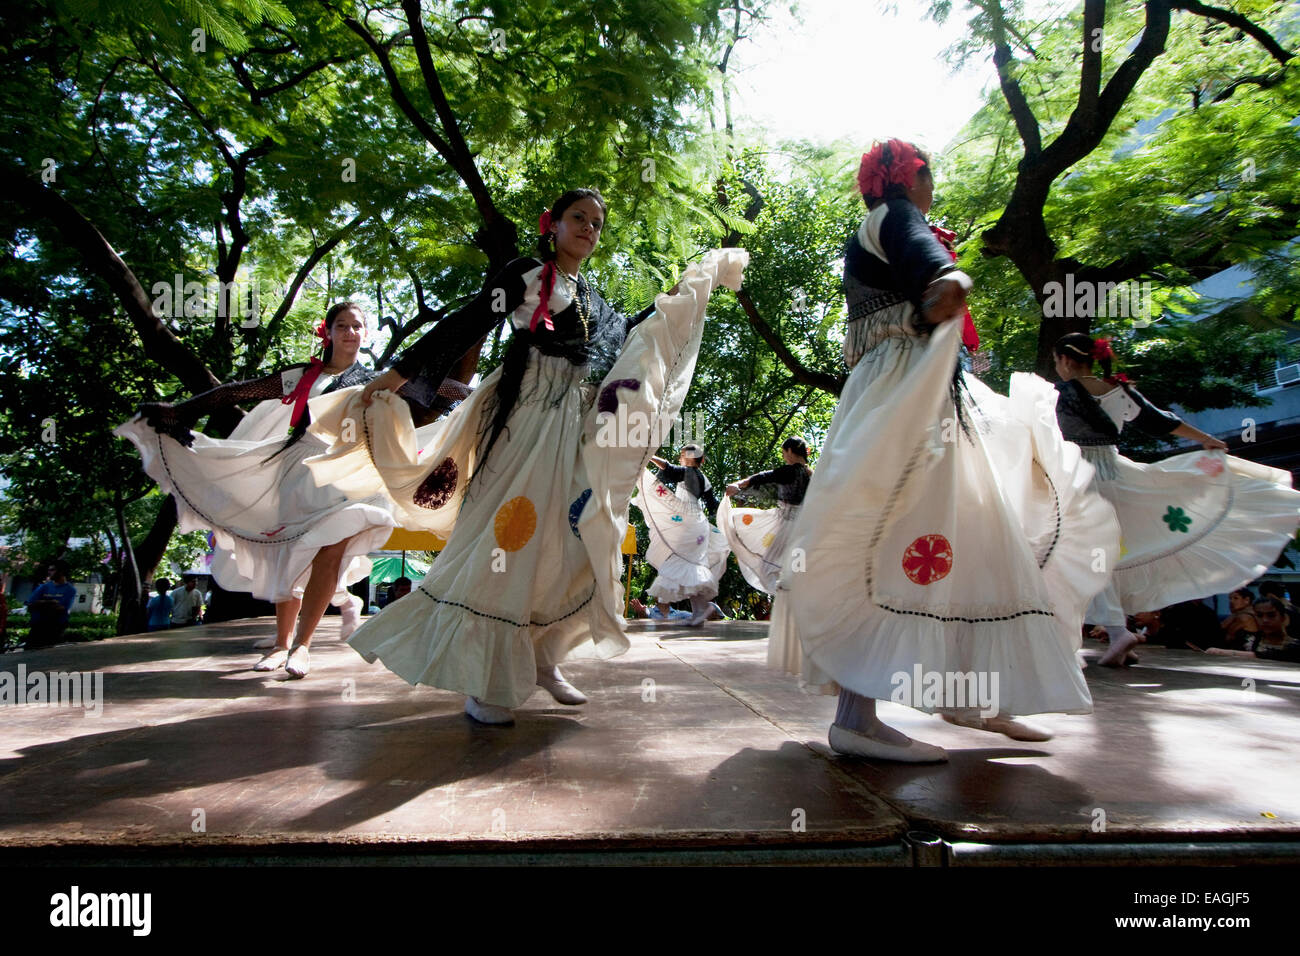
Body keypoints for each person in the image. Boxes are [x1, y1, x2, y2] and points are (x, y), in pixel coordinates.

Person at [305, 188, 748, 724]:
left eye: (596, 223)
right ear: (553, 225)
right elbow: (467, 321)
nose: (589, 228)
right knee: (509, 538)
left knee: (574, 537)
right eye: (578, 218)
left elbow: (625, 339)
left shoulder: (592, 299)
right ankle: (484, 679)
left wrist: (679, 296)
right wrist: (394, 376)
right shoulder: (526, 275)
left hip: (574, 428)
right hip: (526, 420)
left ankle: (542, 655)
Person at [776, 139, 1119, 761]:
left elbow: (931, 292)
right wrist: (949, 282)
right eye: (926, 174)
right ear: (909, 176)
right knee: (897, 535)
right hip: (910, 394)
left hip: (917, 391)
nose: (932, 185)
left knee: (973, 533)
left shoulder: (881, 226)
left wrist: (945, 294)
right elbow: (933, 280)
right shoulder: (895, 216)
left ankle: (975, 697)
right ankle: (856, 718)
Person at [115, 303, 439, 678]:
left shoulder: (379, 379)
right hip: (299, 474)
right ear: (328, 332)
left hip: (348, 477)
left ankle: (302, 645)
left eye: (357, 326)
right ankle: (282, 642)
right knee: (290, 558)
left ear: (366, 334)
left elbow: (434, 385)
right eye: (342, 325)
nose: (350, 332)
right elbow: (239, 391)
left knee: (331, 552)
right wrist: (179, 410)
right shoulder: (302, 376)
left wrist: (481, 392)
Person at [1053, 333, 1300, 667]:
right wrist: (1207, 439)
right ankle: (1113, 633)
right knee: (1096, 558)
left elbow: (1046, 436)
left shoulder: (1063, 393)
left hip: (1083, 477)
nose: (1058, 368)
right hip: (1117, 473)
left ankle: (1109, 632)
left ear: (1066, 360)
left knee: (1076, 556)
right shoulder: (1118, 389)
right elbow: (1161, 422)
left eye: (1057, 362)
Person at [637, 443, 730, 627]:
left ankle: (700, 609)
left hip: (688, 524)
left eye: (683, 455)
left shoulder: (688, 472)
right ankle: (699, 611)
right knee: (691, 567)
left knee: (681, 565)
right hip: (699, 526)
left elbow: (668, 468)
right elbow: (713, 505)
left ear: (688, 458)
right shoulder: (704, 478)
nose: (681, 458)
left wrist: (648, 456)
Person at [1206, 597, 1300, 662]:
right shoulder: (1248, 642)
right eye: (1259, 615)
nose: (1265, 620)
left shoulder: (1295, 645)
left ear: (1283, 618)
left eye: (1271, 615)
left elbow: (1272, 656)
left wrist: (1222, 652)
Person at [24, 560, 78, 648]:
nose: (49, 572)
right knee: (27, 655)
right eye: (49, 570)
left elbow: (61, 608)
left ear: (61, 572)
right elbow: (31, 603)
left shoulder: (70, 590)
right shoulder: (44, 587)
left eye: (52, 570)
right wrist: (50, 603)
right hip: (37, 626)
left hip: (55, 627)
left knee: (46, 654)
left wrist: (42, 603)